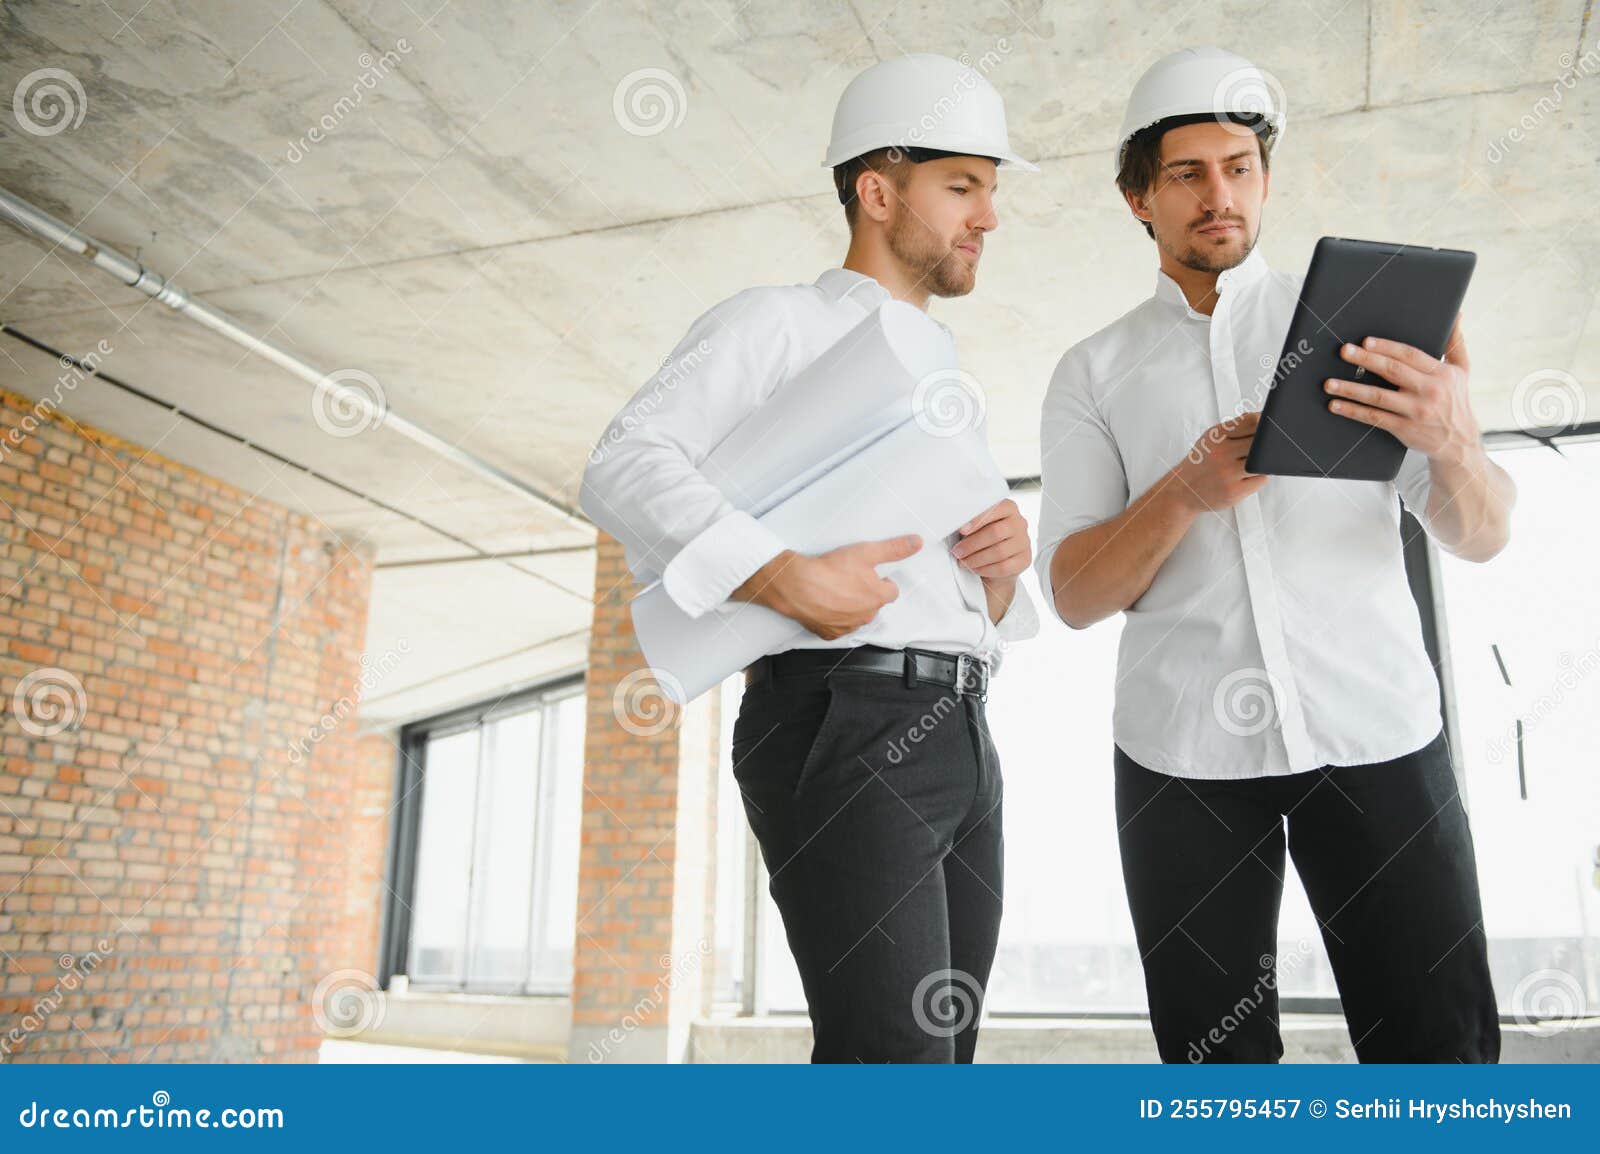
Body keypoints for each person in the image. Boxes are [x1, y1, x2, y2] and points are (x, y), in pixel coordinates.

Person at [1036, 46, 1515, 1063]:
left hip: (1376, 729)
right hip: (1180, 757)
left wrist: (1450, 443)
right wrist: (1184, 491)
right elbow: (1075, 593)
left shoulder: (1360, 327)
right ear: (1138, 200)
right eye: (1186, 174)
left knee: (1441, 1051)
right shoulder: (1092, 370)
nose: (1221, 194)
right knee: (1215, 1068)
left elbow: (1481, 533)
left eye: (1240, 166)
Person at [581, 53, 1040, 1062]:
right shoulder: (776, 322)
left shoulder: (942, 375)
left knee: (942, 1064)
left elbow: (954, 584)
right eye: (962, 186)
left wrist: (1002, 573)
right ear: (877, 192)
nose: (988, 217)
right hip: (843, 719)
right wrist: (778, 572)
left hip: (963, 730)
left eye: (991, 191)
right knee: (891, 1063)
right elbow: (623, 462)